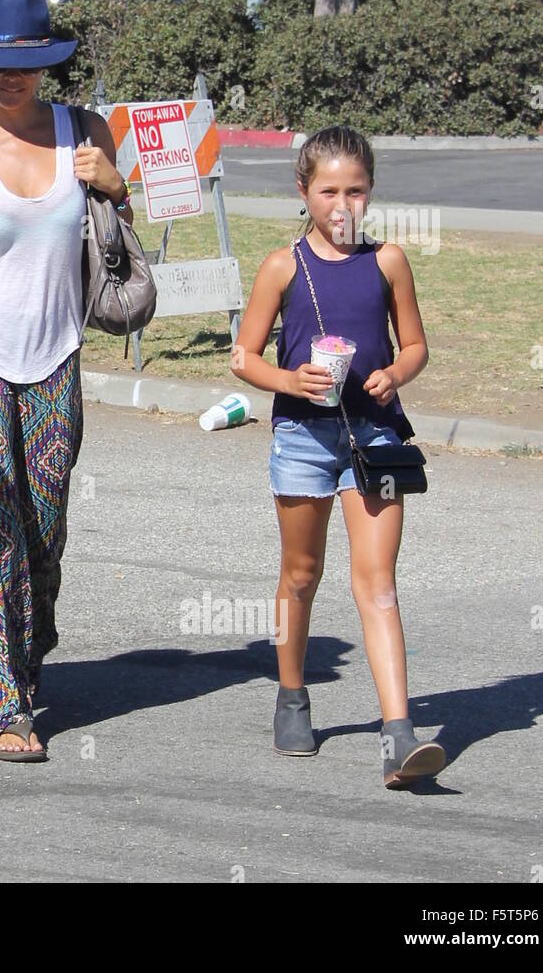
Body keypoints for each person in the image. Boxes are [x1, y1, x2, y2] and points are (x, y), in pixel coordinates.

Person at [0, 0, 129, 761]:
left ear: (47, 66)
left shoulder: (86, 133)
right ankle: (1, 705)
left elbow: (116, 239)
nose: (12, 78)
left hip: (54, 360)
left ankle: (13, 676)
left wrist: (113, 185)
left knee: (42, 534)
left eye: (28, 64)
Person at [231, 125, 446, 788]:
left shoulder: (389, 262)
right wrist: (290, 380)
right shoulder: (283, 265)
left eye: (355, 190)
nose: (342, 204)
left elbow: (414, 345)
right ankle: (292, 696)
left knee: (377, 582)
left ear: (370, 191)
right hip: (302, 437)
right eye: (329, 190)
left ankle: (398, 733)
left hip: (374, 435)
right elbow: (243, 356)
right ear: (304, 191)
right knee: (301, 572)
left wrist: (395, 374)